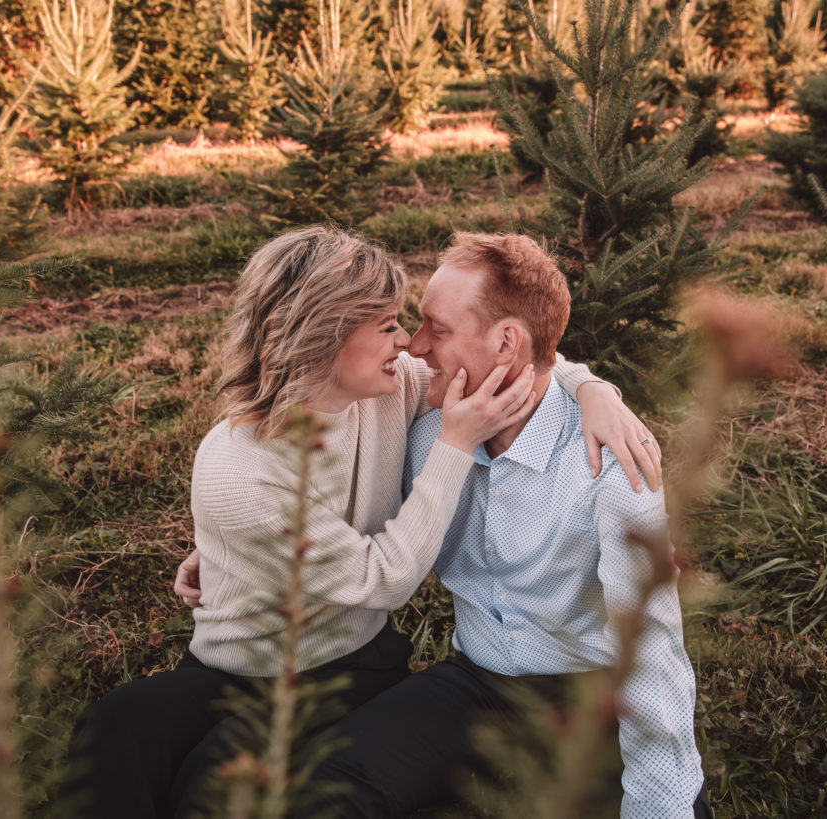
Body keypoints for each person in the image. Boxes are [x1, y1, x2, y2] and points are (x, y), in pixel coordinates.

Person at [57, 225, 660, 819]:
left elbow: (525, 355)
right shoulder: (236, 466)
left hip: (346, 662)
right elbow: (308, 524)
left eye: (410, 322)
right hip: (240, 664)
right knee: (117, 726)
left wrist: (594, 389)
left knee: (210, 784)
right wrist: (454, 446)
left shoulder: (389, 390)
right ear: (323, 337)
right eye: (390, 325)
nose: (410, 344)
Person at [305, 232, 710, 818]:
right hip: (476, 679)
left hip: (589, 691)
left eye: (437, 330)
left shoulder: (608, 457)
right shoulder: (426, 429)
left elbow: (648, 646)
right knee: (329, 788)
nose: (416, 348)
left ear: (505, 342)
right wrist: (237, 547)